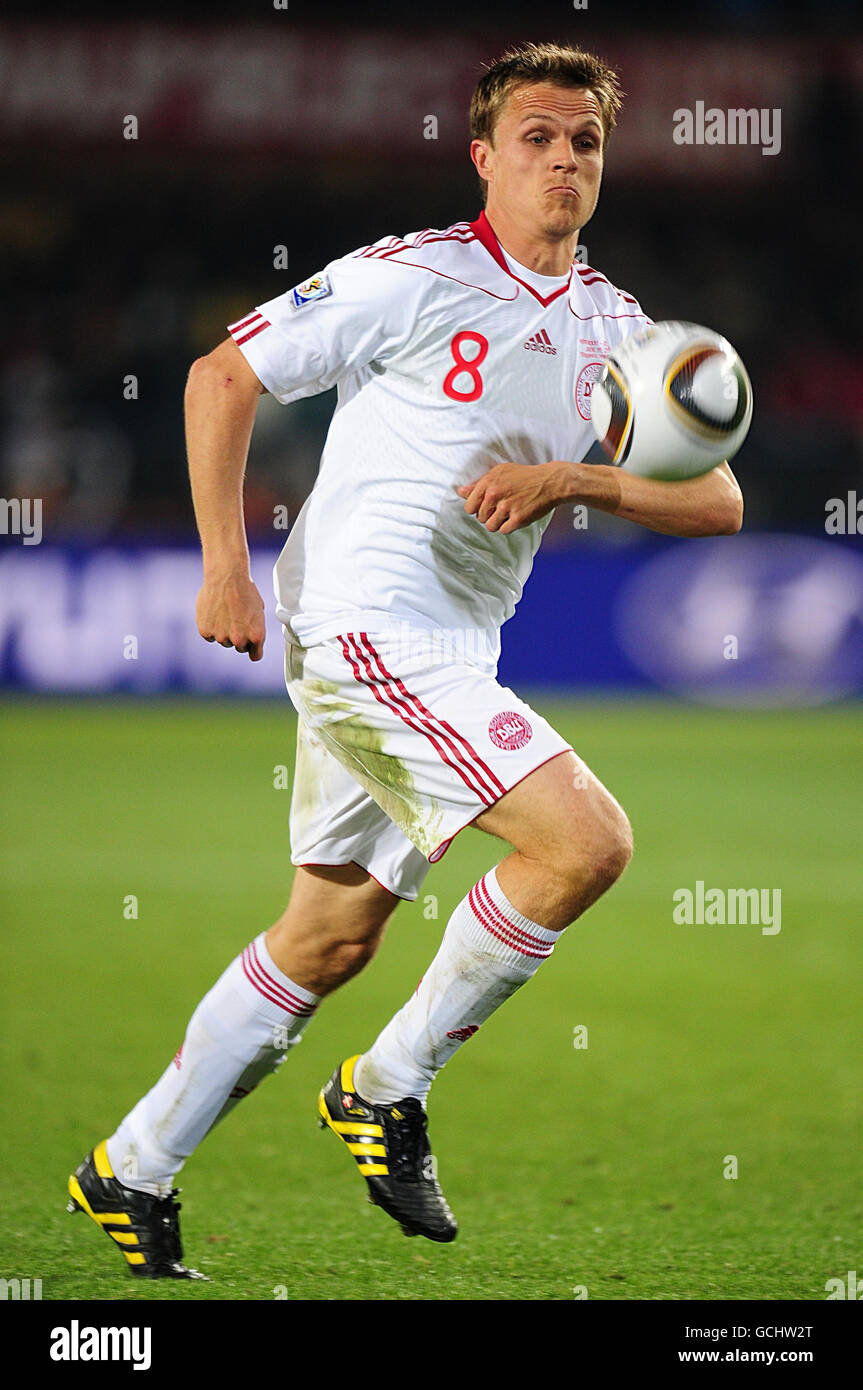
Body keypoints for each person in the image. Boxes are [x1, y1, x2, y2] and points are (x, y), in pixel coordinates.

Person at [67, 41, 743, 1277]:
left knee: (328, 935)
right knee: (583, 842)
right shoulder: (415, 276)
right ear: (484, 156)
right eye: (536, 137)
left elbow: (719, 503)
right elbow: (223, 376)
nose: (563, 160)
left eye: (584, 141)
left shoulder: (616, 328)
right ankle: (384, 1086)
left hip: (451, 644)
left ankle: (131, 1166)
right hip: (364, 627)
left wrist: (574, 475)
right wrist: (225, 564)